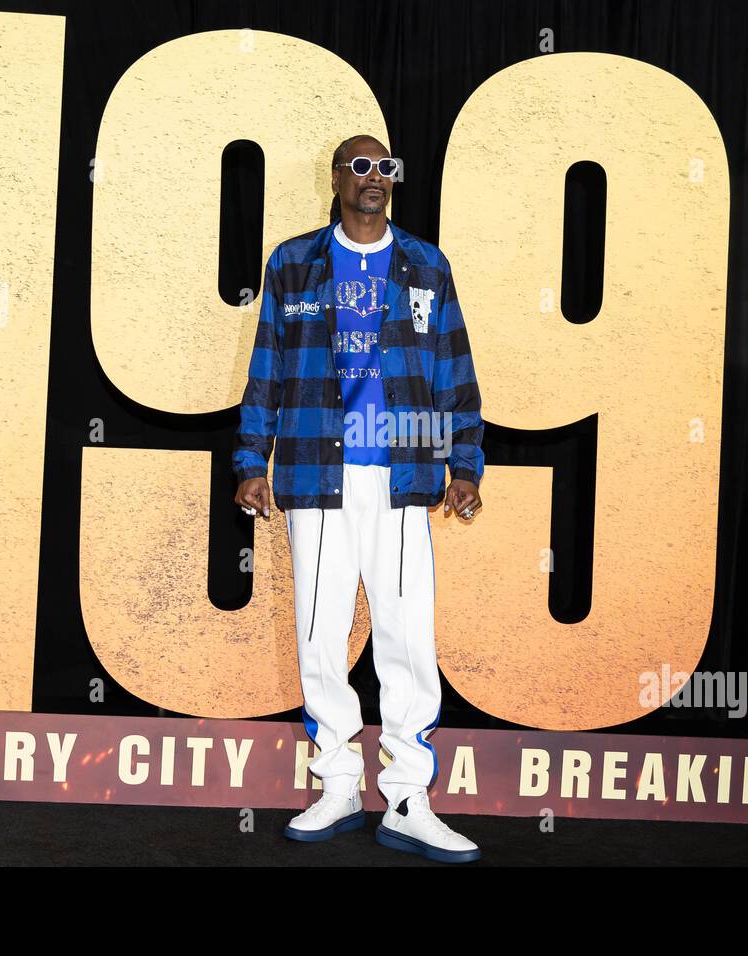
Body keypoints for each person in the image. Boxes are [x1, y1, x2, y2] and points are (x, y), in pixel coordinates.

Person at [231, 134, 484, 863]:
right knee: (320, 635)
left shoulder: (426, 265)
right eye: (361, 166)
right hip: (316, 475)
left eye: (386, 168)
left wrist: (463, 464)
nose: (374, 178)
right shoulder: (294, 263)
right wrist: (252, 460)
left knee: (407, 636)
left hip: (401, 476)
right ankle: (338, 783)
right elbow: (266, 371)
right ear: (337, 178)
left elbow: (455, 368)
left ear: (395, 181)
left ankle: (408, 798)